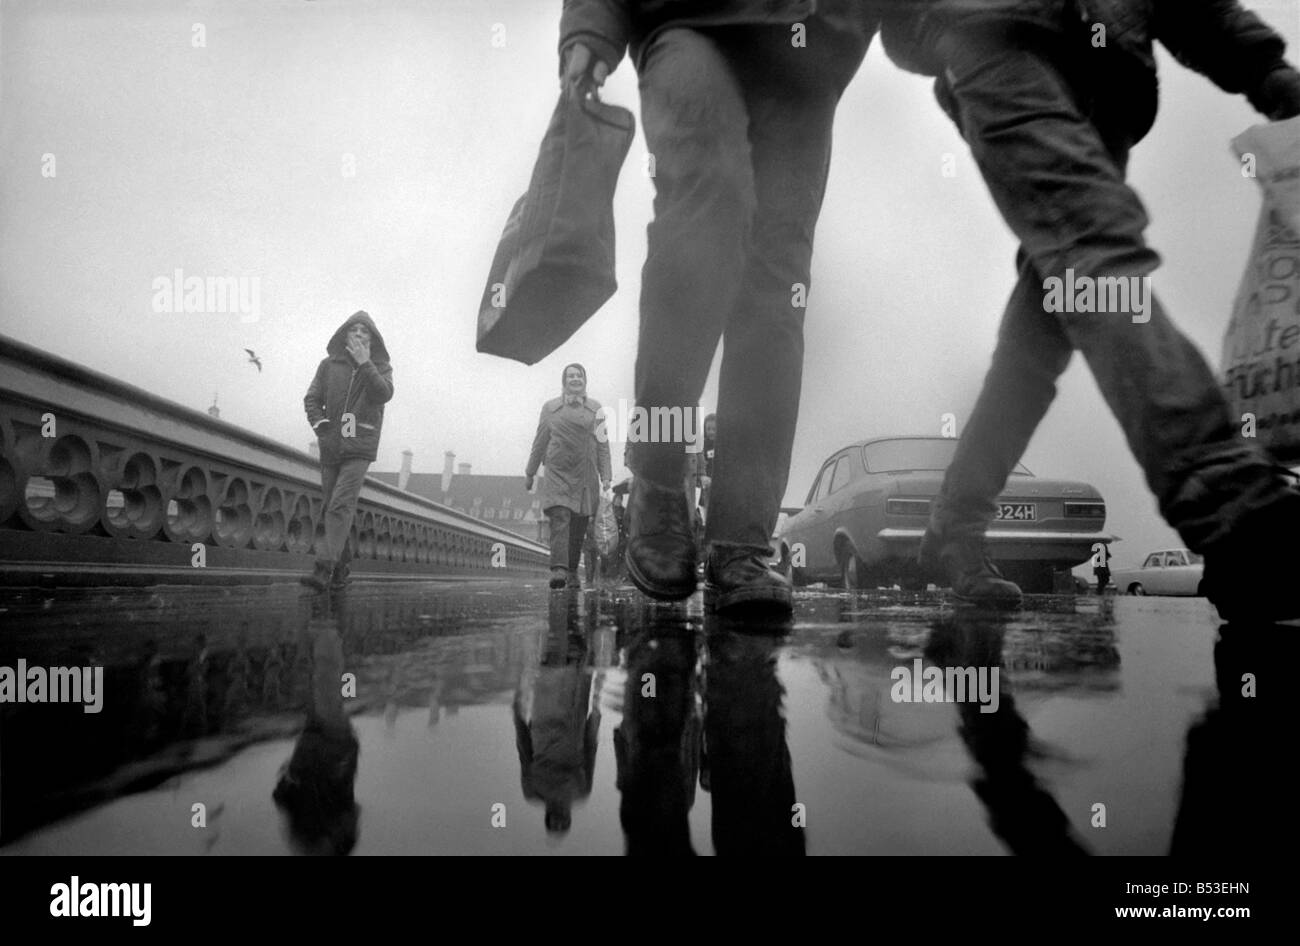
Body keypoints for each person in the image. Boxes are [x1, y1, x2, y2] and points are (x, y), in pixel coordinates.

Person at [877, 0, 1300, 619]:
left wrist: (1262, 67)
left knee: (1041, 334)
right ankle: (1228, 502)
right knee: (1094, 246)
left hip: (1111, 87)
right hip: (995, 37)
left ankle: (954, 525)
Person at [559, 0, 880, 614]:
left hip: (808, 37)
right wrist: (591, 25)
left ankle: (742, 538)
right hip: (685, 20)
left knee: (778, 279)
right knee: (705, 207)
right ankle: (658, 475)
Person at [301, 311, 393, 592]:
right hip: (331, 445)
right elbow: (312, 398)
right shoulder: (328, 365)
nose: (359, 334)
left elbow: (384, 394)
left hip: (359, 445)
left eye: (365, 331)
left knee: (340, 504)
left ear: (373, 339)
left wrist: (366, 364)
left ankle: (323, 569)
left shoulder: (380, 367)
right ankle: (341, 568)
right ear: (345, 334)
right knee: (331, 504)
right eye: (354, 329)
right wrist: (321, 426)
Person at [526, 363, 613, 589]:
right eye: (570, 376)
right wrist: (530, 472)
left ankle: (572, 570)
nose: (575, 379)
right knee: (560, 516)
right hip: (558, 472)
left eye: (579, 375)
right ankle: (559, 569)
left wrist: (606, 475)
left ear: (585, 380)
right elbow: (540, 442)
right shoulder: (550, 409)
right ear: (564, 382)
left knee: (578, 526)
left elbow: (603, 445)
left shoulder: (596, 409)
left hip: (585, 475)